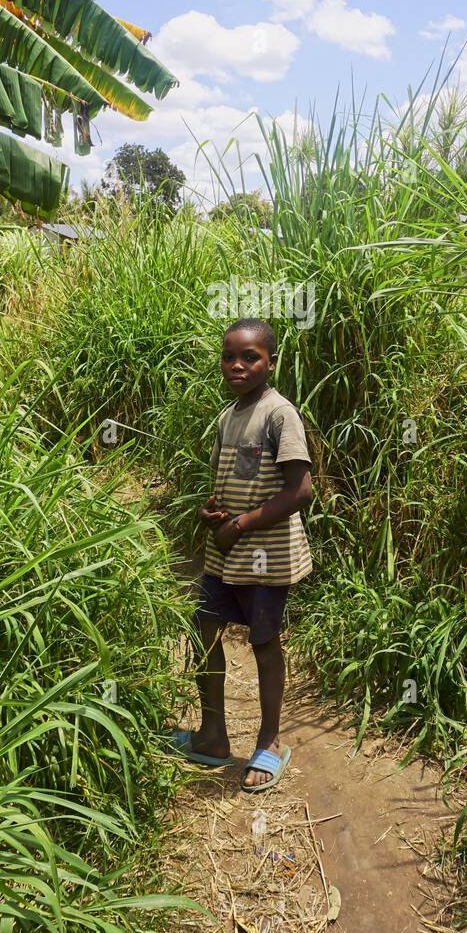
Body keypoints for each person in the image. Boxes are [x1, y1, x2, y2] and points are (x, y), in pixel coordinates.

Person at [171, 318, 313, 792]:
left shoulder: (279, 414)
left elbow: (300, 491)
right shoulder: (228, 416)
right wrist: (214, 513)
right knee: (205, 629)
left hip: (267, 556)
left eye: (250, 357)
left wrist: (240, 525)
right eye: (229, 356)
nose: (237, 365)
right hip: (226, 552)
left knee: (263, 643)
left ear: (271, 362)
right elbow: (231, 481)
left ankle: (269, 743)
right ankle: (212, 736)